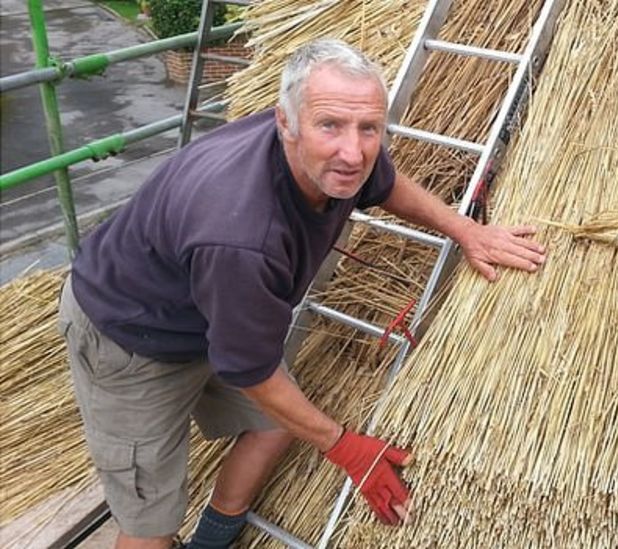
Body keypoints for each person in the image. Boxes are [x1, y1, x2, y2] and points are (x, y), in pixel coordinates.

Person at [57, 38, 546, 549]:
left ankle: (212, 540)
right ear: (285, 122)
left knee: (277, 424)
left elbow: (383, 183)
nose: (353, 152)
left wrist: (465, 230)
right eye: (330, 125)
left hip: (208, 312)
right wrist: (346, 448)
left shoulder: (341, 159)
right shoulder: (243, 235)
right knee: (150, 518)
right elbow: (250, 370)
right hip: (130, 338)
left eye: (369, 129)